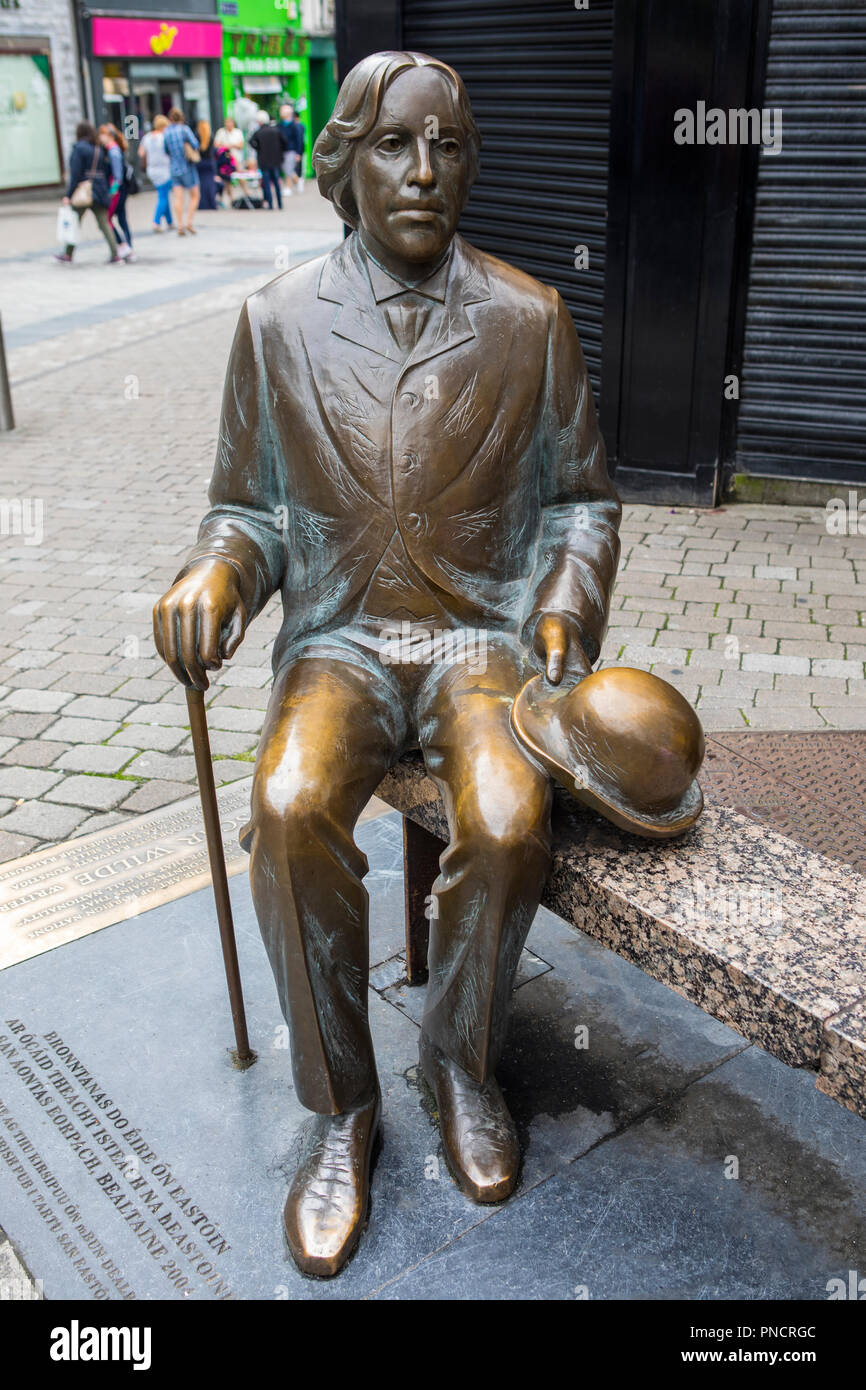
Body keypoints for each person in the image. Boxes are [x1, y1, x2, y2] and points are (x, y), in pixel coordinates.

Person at [154, 52, 621, 1278]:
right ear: (341, 164)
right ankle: (342, 1102)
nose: (424, 171)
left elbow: (580, 503)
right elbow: (243, 511)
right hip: (342, 642)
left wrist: (564, 616)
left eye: (449, 147)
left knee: (513, 813)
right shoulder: (274, 321)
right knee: (288, 802)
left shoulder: (529, 318)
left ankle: (459, 1058)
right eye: (394, 145)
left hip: (479, 643)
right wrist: (215, 577)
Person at [54, 121, 121, 265]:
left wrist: (69, 194)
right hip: (99, 189)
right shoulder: (99, 148)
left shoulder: (79, 149)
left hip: (84, 190)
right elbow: (107, 169)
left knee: (75, 221)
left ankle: (68, 253)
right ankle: (115, 253)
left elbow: (75, 174)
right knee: (104, 223)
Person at [99, 124, 134, 261]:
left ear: (109, 135)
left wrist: (112, 192)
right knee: (122, 219)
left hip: (117, 190)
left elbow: (117, 176)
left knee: (107, 219)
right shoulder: (113, 149)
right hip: (121, 190)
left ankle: (123, 246)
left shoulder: (113, 151)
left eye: (102, 134)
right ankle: (128, 249)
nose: (100, 137)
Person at [164, 107, 200, 236]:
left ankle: (180, 225)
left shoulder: (167, 132)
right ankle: (189, 222)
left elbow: (166, 150)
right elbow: (196, 144)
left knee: (178, 198)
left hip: (174, 168)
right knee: (195, 196)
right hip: (187, 166)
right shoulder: (185, 130)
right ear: (182, 118)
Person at [249, 110, 288, 210]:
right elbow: (284, 142)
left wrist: (258, 148)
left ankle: (270, 204)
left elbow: (251, 142)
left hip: (263, 160)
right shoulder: (276, 130)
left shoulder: (258, 132)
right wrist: (280, 151)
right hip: (276, 160)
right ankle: (280, 204)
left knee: (266, 183)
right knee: (276, 182)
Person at [139, 114, 173, 231]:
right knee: (163, 196)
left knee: (164, 194)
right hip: (165, 170)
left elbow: (141, 153)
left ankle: (170, 222)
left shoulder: (147, 137)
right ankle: (156, 221)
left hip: (152, 170)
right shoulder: (165, 137)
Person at [196, 120, 218, 211]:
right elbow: (215, 150)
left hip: (200, 163)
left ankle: (203, 203)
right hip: (209, 162)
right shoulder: (211, 136)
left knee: (202, 185)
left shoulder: (197, 136)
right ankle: (212, 203)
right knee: (210, 184)